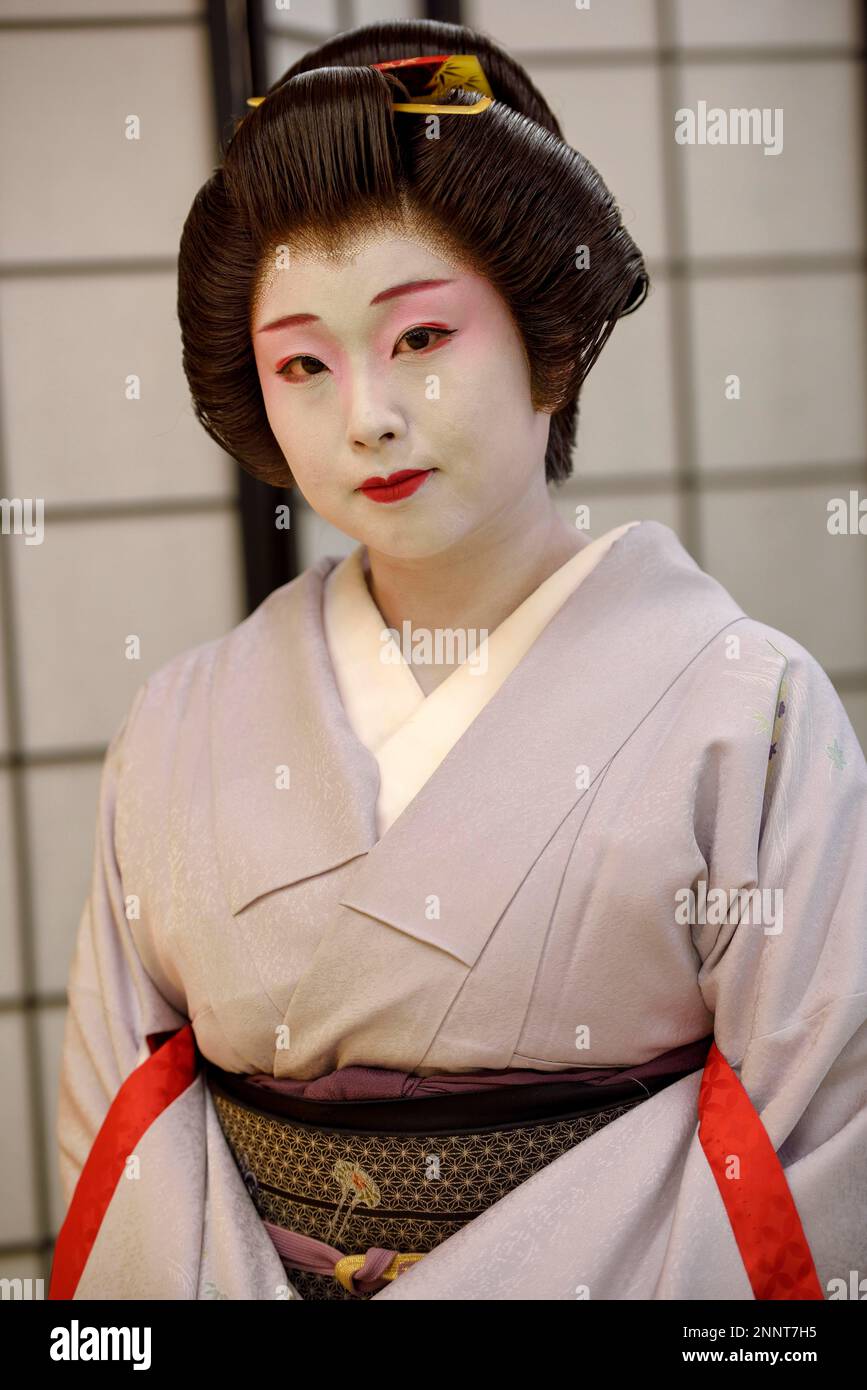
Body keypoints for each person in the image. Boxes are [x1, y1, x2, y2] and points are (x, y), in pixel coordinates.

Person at [50, 19, 866, 1302]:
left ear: (550, 337)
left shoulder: (744, 709)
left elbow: (815, 1140)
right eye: (303, 364)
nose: (365, 413)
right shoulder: (179, 721)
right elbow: (124, 1134)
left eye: (421, 339)